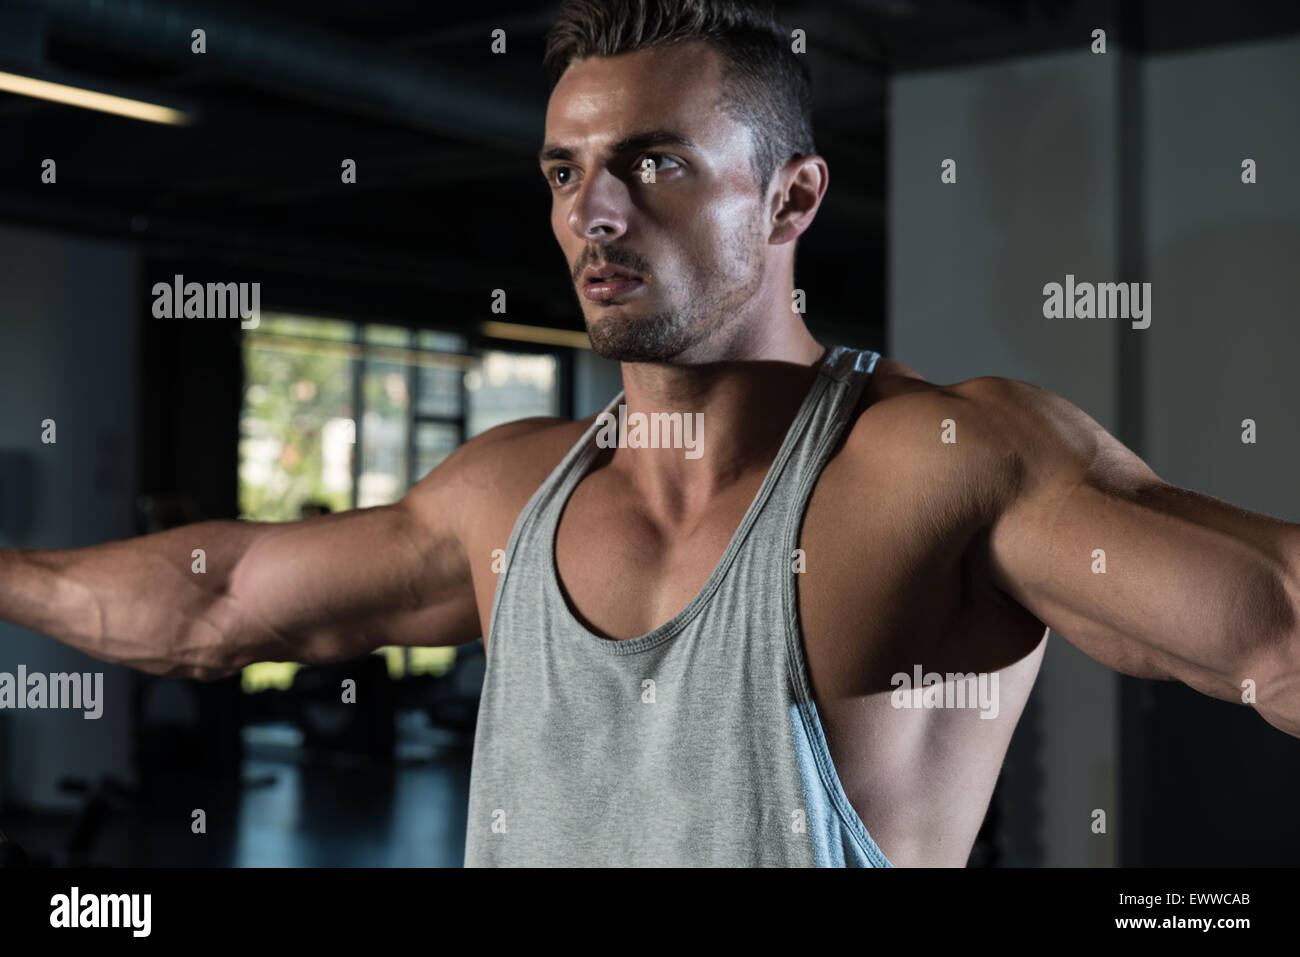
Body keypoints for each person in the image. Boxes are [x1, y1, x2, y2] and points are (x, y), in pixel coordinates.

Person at [2, 0, 1297, 867]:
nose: (594, 214)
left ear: (792, 197)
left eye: (655, 163)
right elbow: (214, 603)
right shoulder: (503, 494)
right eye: (566, 171)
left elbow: (1272, 625)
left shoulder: (938, 464)